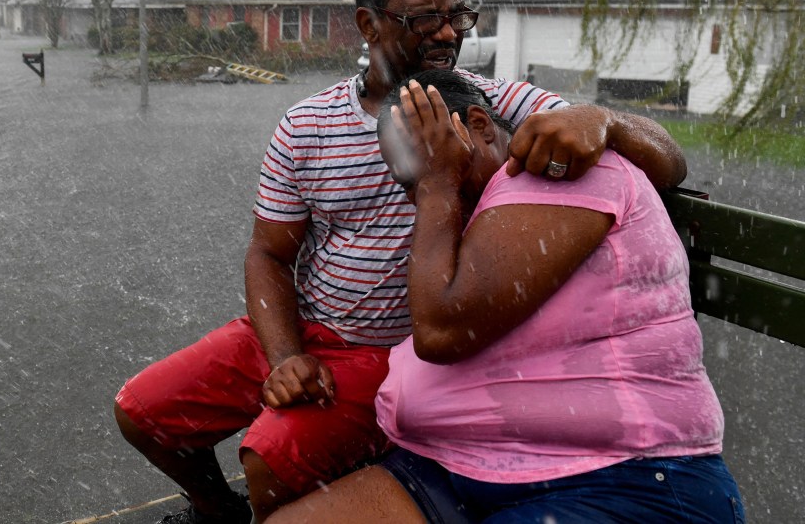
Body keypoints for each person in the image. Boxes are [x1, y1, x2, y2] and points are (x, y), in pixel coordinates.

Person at [113, 0, 688, 524]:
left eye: (459, 15)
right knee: (142, 412)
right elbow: (268, 253)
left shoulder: (495, 101)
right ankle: (216, 511)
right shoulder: (307, 125)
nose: (448, 33)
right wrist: (284, 354)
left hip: (387, 353)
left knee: (270, 456)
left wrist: (604, 119)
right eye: (425, 18)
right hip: (303, 327)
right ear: (368, 23)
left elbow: (668, 159)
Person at [267, 70, 744, 523]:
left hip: (617, 475)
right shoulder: (476, 203)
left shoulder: (556, 169)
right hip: (457, 468)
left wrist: (437, 183)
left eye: (432, 161)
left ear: (478, 125)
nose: (420, 196)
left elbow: (441, 330)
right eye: (409, 184)